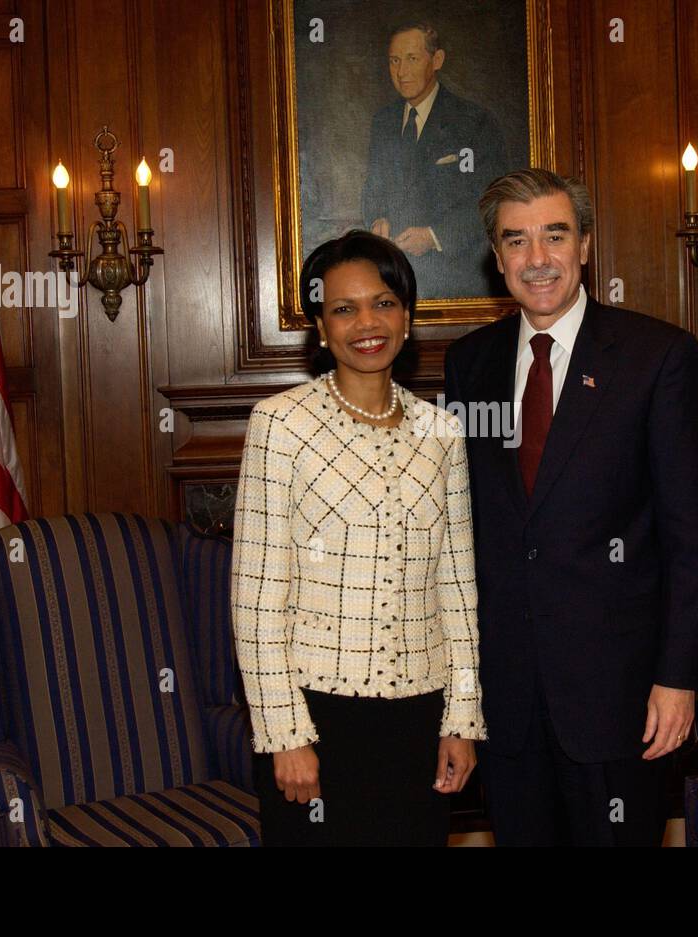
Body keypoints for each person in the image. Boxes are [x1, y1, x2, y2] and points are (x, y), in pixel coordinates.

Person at [442, 168, 698, 846]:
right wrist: (460, 698)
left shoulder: (658, 357)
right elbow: (461, 534)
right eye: (517, 240)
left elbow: (693, 540)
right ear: (497, 256)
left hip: (620, 699)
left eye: (555, 236)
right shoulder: (468, 364)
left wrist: (678, 679)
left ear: (586, 245)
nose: (537, 259)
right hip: (508, 703)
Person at [232, 230, 485, 845]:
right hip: (318, 719)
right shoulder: (281, 424)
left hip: (420, 722)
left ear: (407, 316)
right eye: (344, 309)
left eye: (383, 303)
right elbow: (257, 599)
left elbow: (457, 591)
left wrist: (461, 719)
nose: (366, 323)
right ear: (320, 326)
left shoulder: (442, 432)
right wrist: (286, 734)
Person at [361, 21, 505, 299]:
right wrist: (377, 218)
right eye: (394, 60)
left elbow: (494, 202)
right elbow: (373, 189)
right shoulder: (383, 122)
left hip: (456, 281)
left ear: (436, 60)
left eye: (412, 59)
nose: (401, 72)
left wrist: (434, 236)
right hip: (394, 283)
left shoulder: (475, 122)